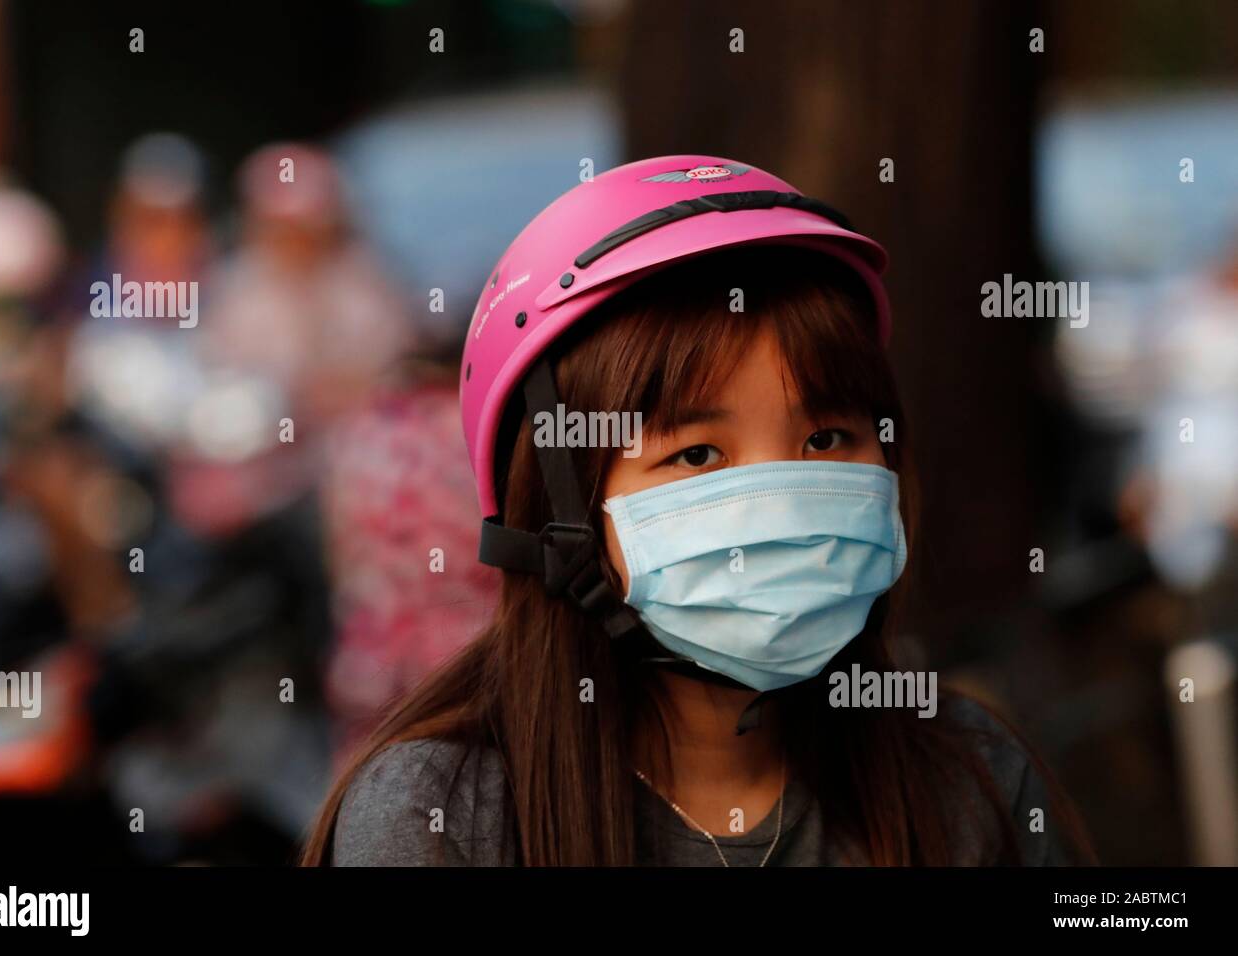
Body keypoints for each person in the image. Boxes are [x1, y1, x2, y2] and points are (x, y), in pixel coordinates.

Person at [304, 155, 1092, 866]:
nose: (783, 496)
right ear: (555, 511)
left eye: (825, 438)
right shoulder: (441, 816)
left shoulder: (967, 779)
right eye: (698, 455)